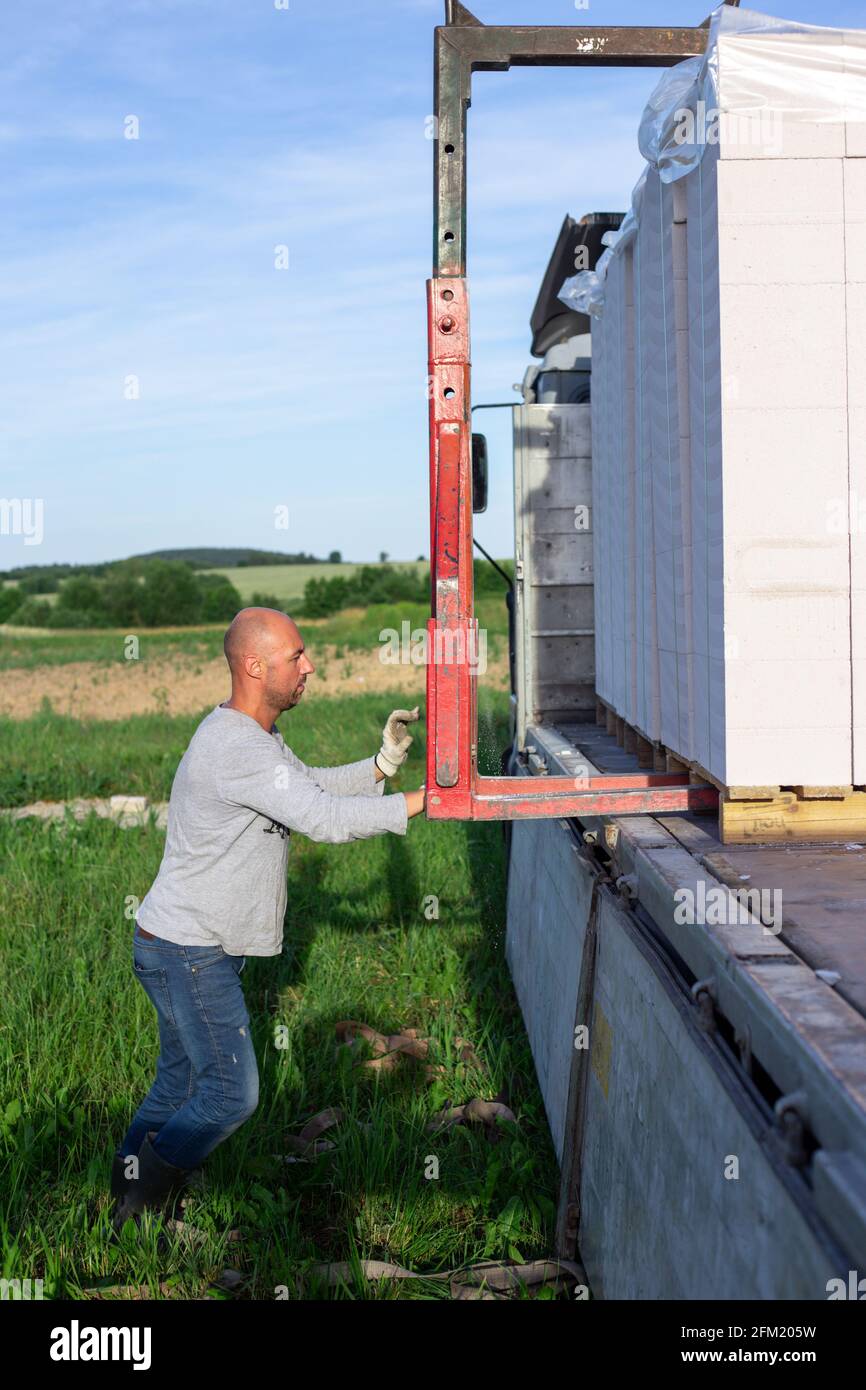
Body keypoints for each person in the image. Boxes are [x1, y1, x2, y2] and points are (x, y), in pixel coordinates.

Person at [110, 606, 426, 1232]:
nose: (309, 667)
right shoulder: (237, 749)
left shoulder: (252, 738)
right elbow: (325, 820)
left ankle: (125, 1192)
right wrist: (425, 802)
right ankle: (141, 1204)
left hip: (175, 942)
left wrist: (382, 765)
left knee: (177, 1085)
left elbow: (310, 788)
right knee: (232, 1094)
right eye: (296, 657)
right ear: (255, 668)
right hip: (187, 951)